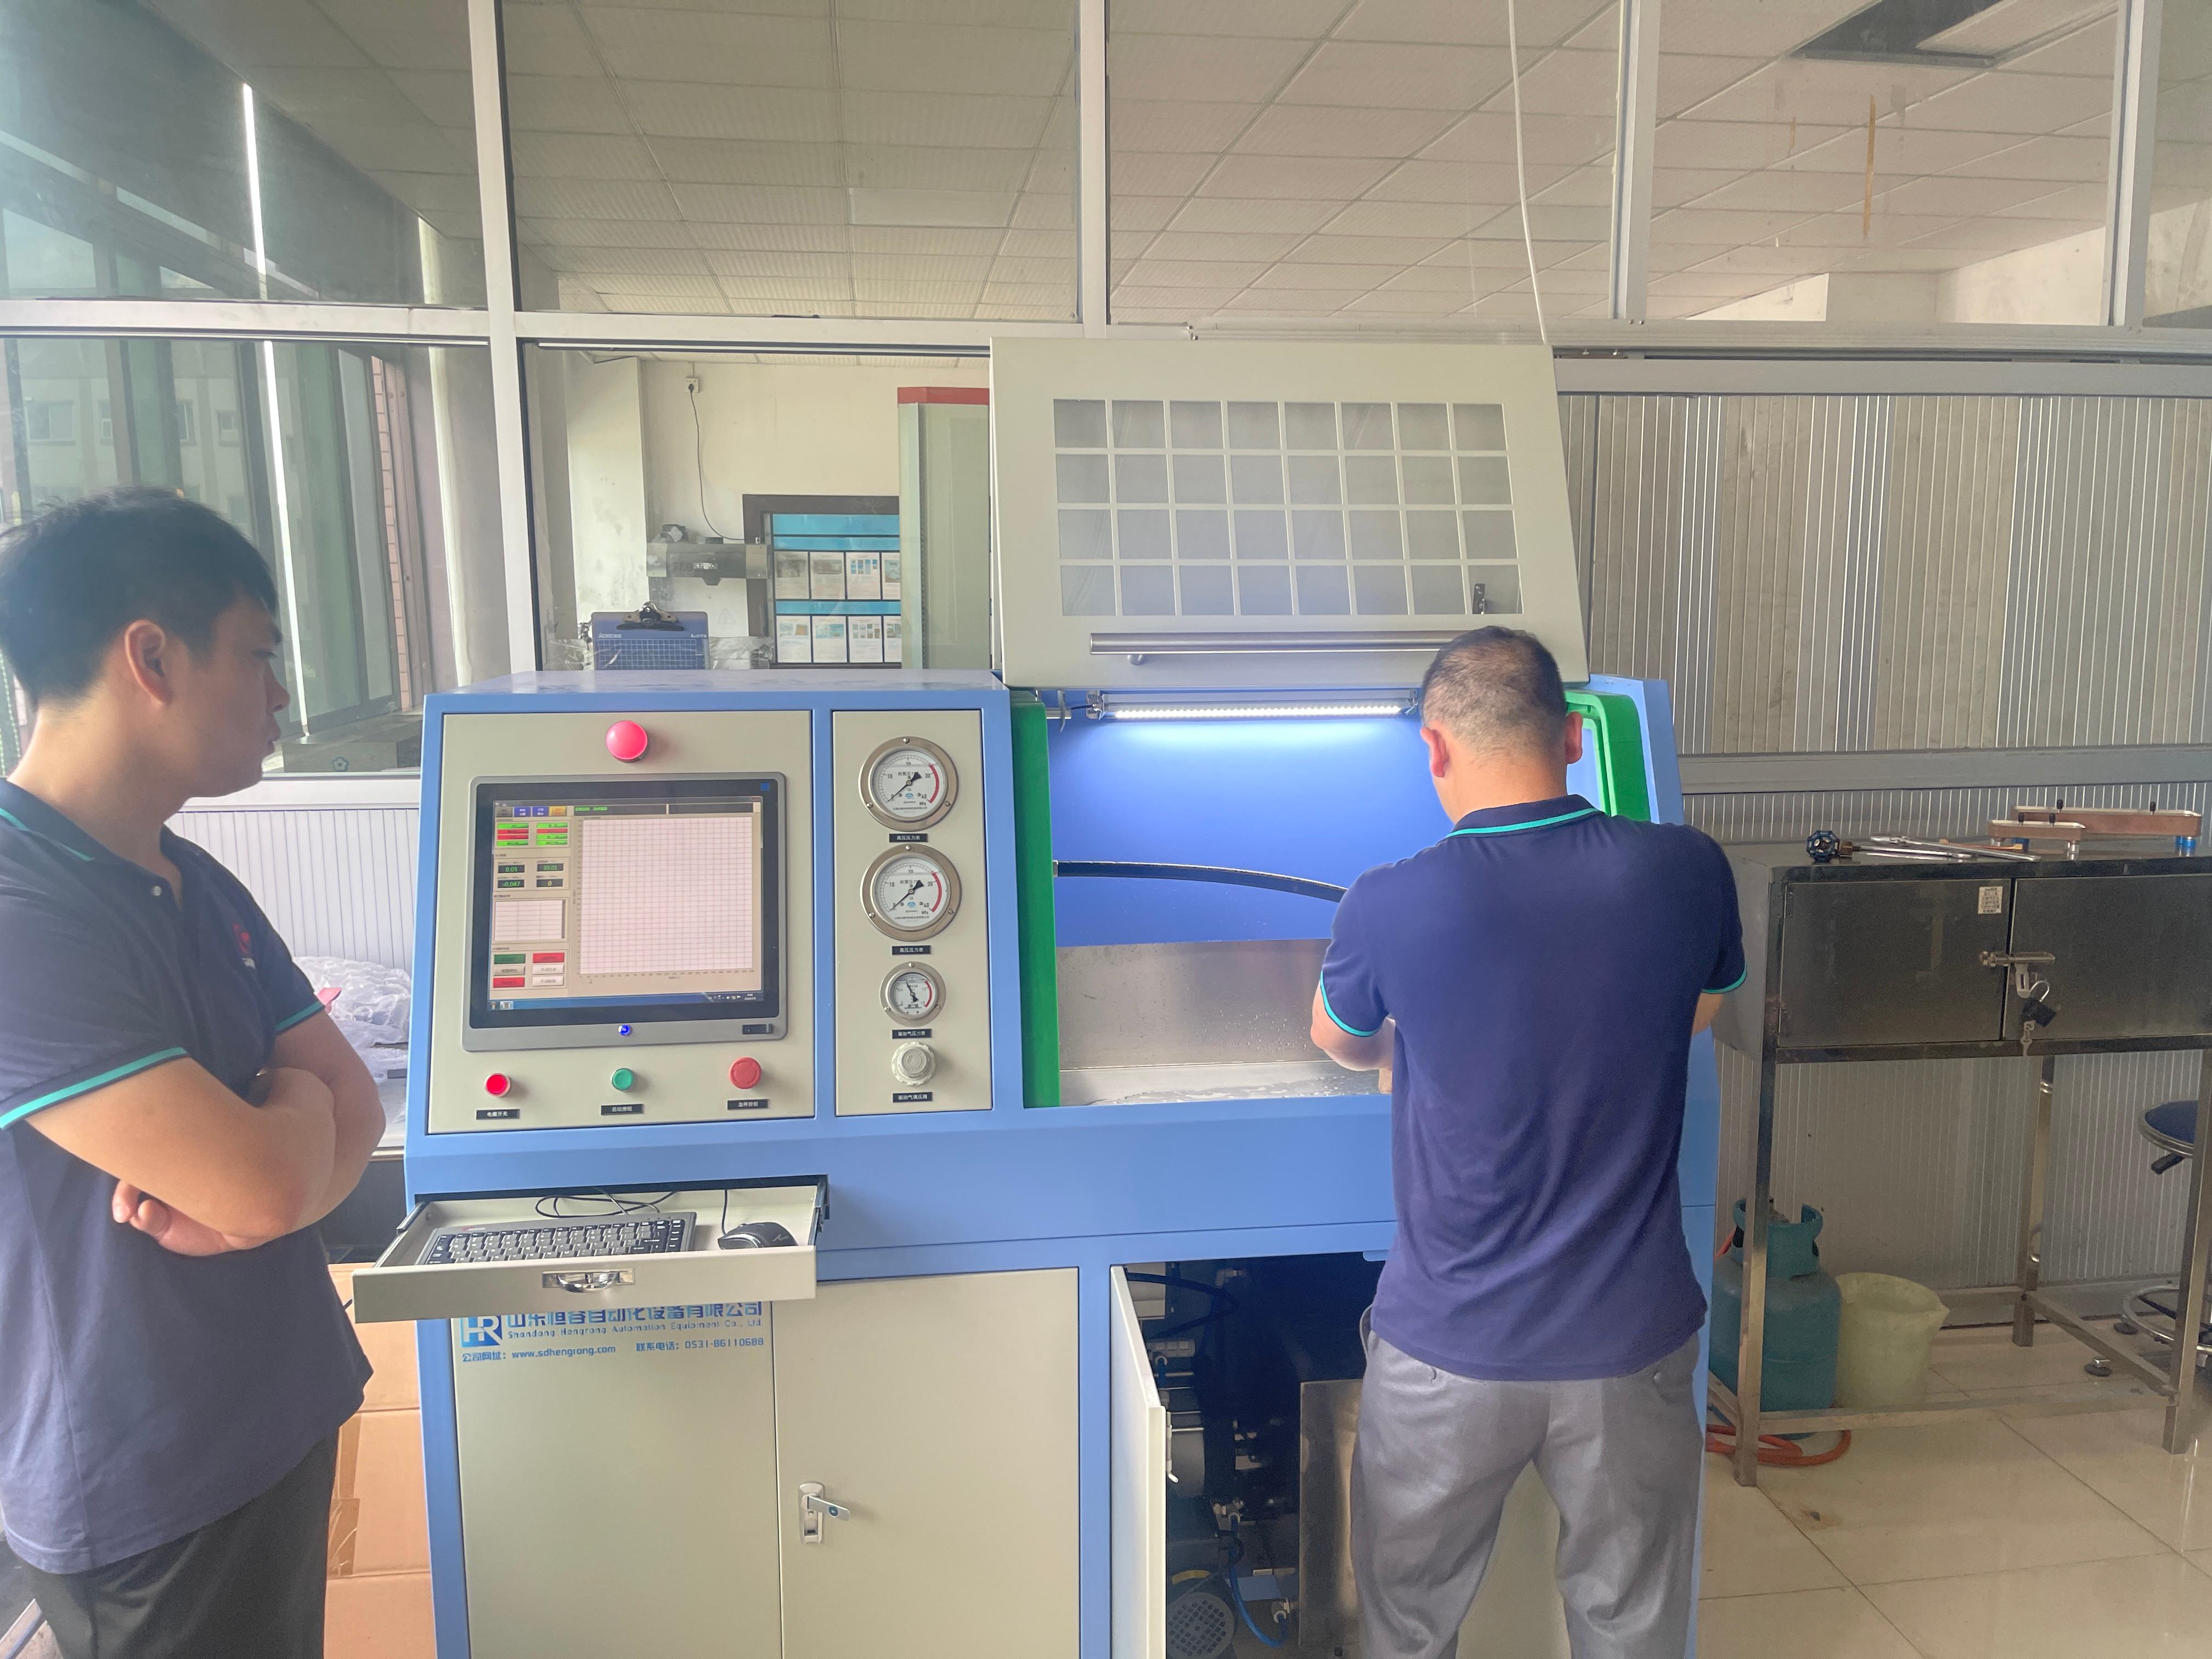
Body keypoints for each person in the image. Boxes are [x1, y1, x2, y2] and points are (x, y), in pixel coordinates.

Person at [0, 489, 383, 1658]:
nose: (282, 696)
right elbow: (266, 1185)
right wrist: (289, 1126)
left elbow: (353, 1104)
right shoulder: (23, 908)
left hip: (273, 1418)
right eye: (259, 656)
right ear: (152, 658)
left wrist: (286, 1133)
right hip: (151, 1478)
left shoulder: (192, 878)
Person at [1310, 627, 1742, 1659]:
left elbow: (1337, 1038)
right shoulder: (1686, 869)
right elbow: (1696, 1014)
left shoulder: (1388, 898)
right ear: (1573, 738)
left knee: (1408, 1624)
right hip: (1630, 1347)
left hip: (1447, 1351)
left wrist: (1408, 1049)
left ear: (1434, 748)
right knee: (1631, 1619)